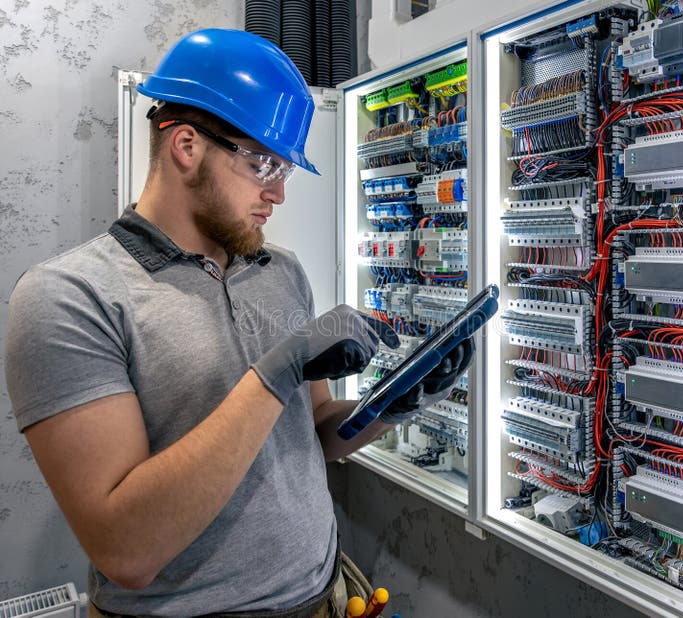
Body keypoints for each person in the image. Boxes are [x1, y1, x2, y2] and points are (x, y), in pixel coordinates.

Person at [4, 28, 473, 618]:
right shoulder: (70, 298)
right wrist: (274, 373)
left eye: (286, 170)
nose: (277, 192)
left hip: (327, 595)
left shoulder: (282, 273)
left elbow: (314, 431)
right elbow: (125, 549)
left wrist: (392, 404)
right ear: (186, 146)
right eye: (263, 164)